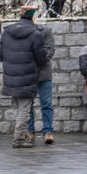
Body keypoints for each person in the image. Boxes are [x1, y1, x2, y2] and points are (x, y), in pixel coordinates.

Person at [0, 4, 46, 149]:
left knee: (19, 109)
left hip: (11, 77)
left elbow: (0, 55)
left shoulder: (7, 32)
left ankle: (22, 135)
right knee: (24, 111)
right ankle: (18, 139)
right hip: (27, 78)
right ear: (32, 17)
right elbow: (41, 59)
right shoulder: (35, 34)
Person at [26, 13, 56, 144]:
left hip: (44, 73)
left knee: (47, 104)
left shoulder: (46, 31)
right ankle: (30, 132)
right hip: (28, 74)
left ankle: (48, 131)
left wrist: (37, 60)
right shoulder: (24, 32)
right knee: (28, 105)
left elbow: (50, 50)